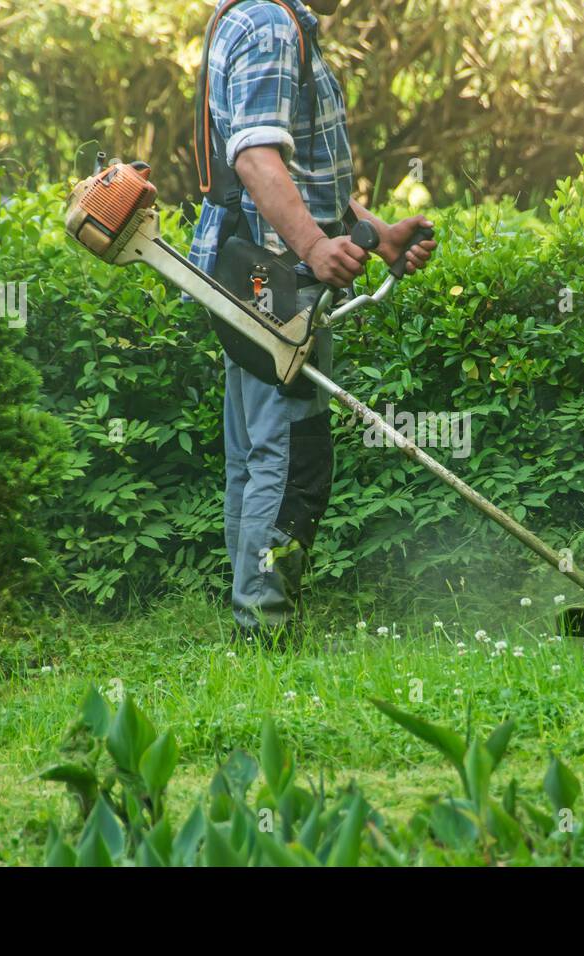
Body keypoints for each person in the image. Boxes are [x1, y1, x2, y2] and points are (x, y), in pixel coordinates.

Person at [189, 0, 437, 641]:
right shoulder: (272, 25)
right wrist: (314, 248)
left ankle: (253, 613)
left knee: (255, 451)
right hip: (274, 276)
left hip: (250, 267)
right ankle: (264, 629)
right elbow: (257, 162)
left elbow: (296, 173)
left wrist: (375, 234)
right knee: (290, 454)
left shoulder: (258, 18)